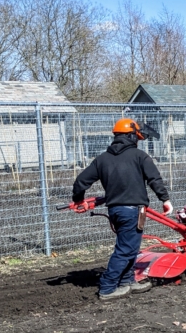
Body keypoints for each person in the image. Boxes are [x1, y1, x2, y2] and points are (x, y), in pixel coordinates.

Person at [71, 118, 172, 301]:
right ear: (132, 136)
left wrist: (78, 199)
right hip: (133, 210)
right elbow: (154, 179)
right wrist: (165, 200)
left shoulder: (102, 159)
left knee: (130, 247)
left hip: (115, 211)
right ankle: (108, 288)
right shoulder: (140, 156)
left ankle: (127, 281)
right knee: (125, 249)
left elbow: (80, 181)